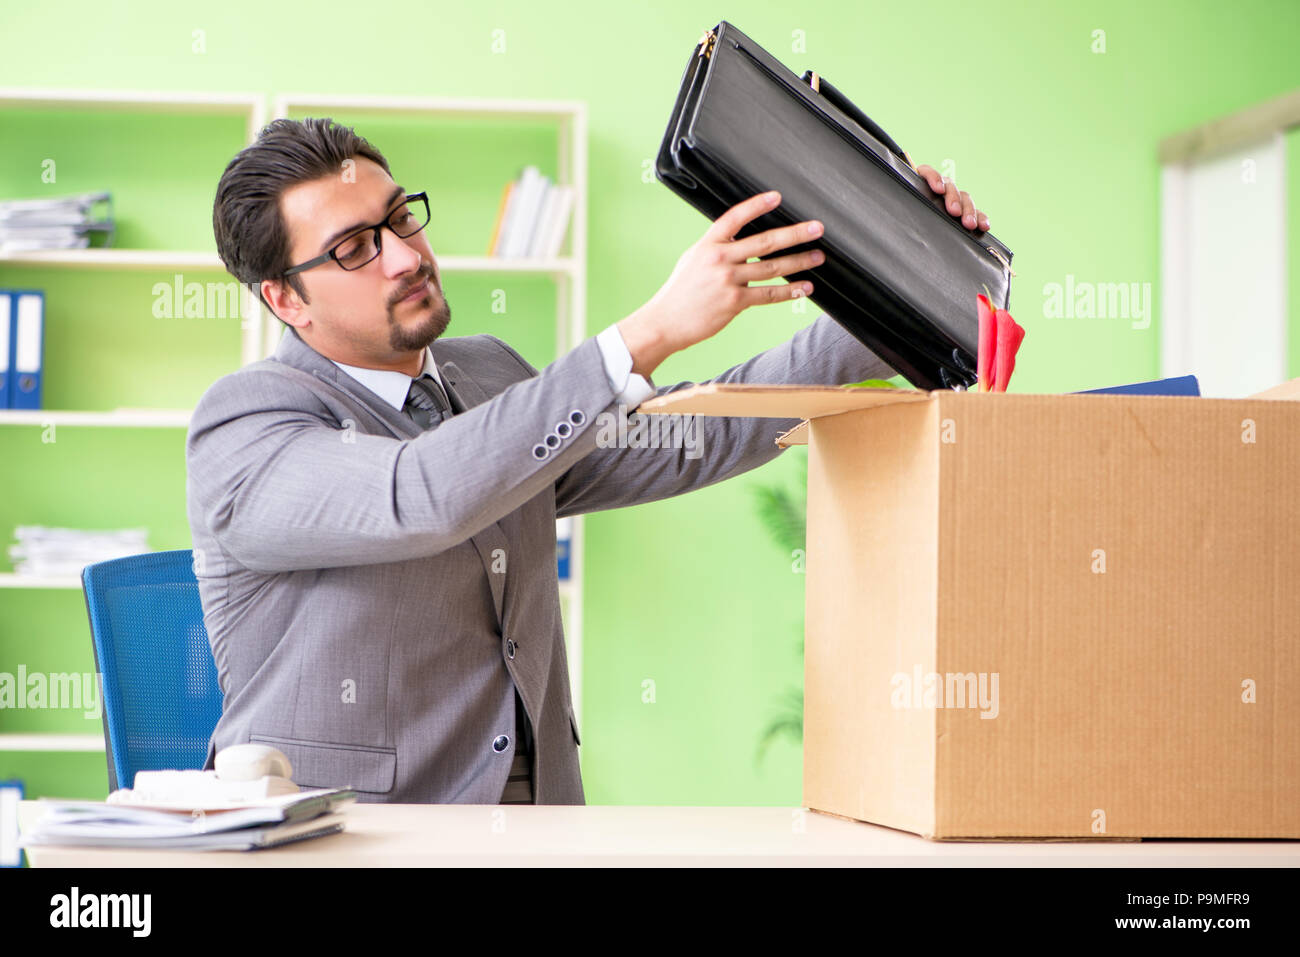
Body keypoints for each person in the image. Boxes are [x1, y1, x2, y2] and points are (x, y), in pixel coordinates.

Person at [189, 117, 989, 804]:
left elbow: (689, 438)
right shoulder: (246, 426)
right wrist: (646, 334)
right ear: (285, 298)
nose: (405, 256)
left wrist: (898, 283)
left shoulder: (489, 373)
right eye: (356, 248)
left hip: (540, 821)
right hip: (357, 832)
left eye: (400, 219)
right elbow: (421, 493)